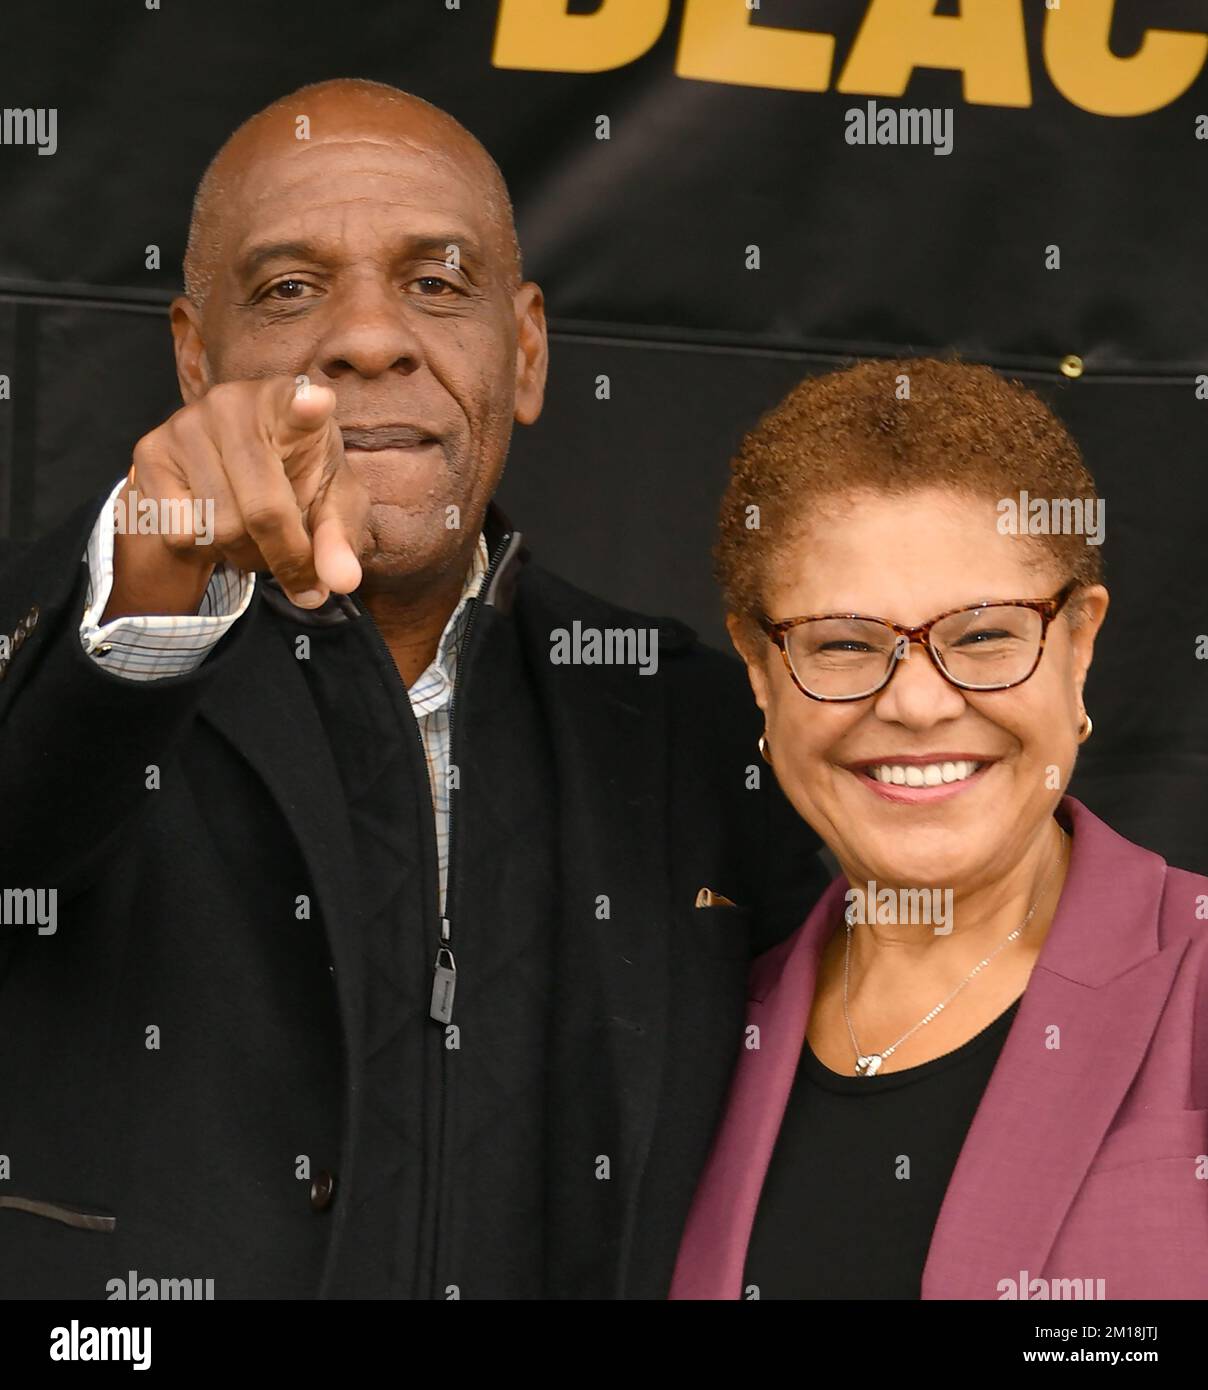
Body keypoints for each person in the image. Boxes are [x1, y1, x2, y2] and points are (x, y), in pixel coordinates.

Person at [0, 78, 827, 1300]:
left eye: (437, 284)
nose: (371, 338)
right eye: (288, 289)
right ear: (192, 359)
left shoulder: (696, 724)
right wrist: (153, 568)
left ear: (528, 350)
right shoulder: (86, 649)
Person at [670, 358, 1208, 1301]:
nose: (918, 704)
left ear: (1077, 646)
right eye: (843, 644)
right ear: (760, 670)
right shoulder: (695, 1038)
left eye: (987, 635)